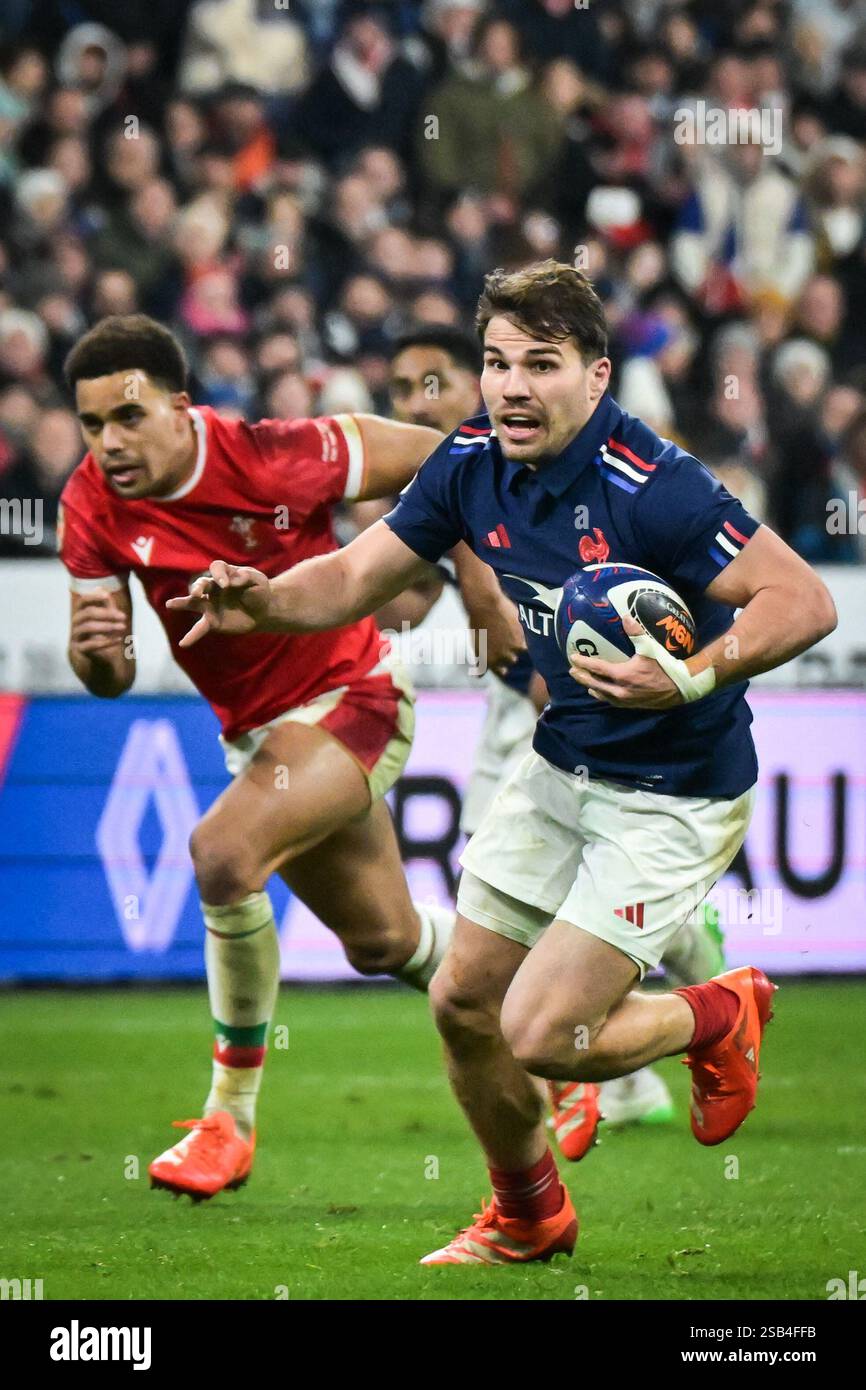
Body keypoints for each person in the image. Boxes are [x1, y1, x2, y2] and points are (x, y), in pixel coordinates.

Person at [168, 262, 836, 1265]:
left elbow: (802, 602)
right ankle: (528, 1215)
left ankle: (715, 1011)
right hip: (561, 761)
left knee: (539, 1032)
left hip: (673, 792)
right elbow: (356, 575)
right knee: (462, 1001)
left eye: (540, 364)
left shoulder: (654, 488)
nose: (510, 386)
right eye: (494, 363)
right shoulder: (468, 460)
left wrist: (690, 676)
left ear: (595, 375)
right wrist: (259, 598)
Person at [59, 312, 522, 1203]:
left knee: (223, 854)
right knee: (385, 940)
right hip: (263, 737)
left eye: (128, 417)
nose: (108, 444)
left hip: (355, 695)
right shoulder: (89, 502)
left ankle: (227, 1116)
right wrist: (97, 654)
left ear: (182, 409)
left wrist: (478, 580)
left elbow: (450, 455)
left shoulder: (274, 454)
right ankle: (609, 1026)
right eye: (90, 425)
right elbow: (108, 675)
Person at [384, 324, 729, 1149]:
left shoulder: (576, 475)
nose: (415, 402)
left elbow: (559, 628)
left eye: (429, 382)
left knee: (568, 907)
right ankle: (613, 1084)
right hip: (516, 720)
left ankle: (685, 991)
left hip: (578, 711)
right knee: (495, 904)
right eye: (400, 389)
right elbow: (397, 607)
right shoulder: (451, 478)